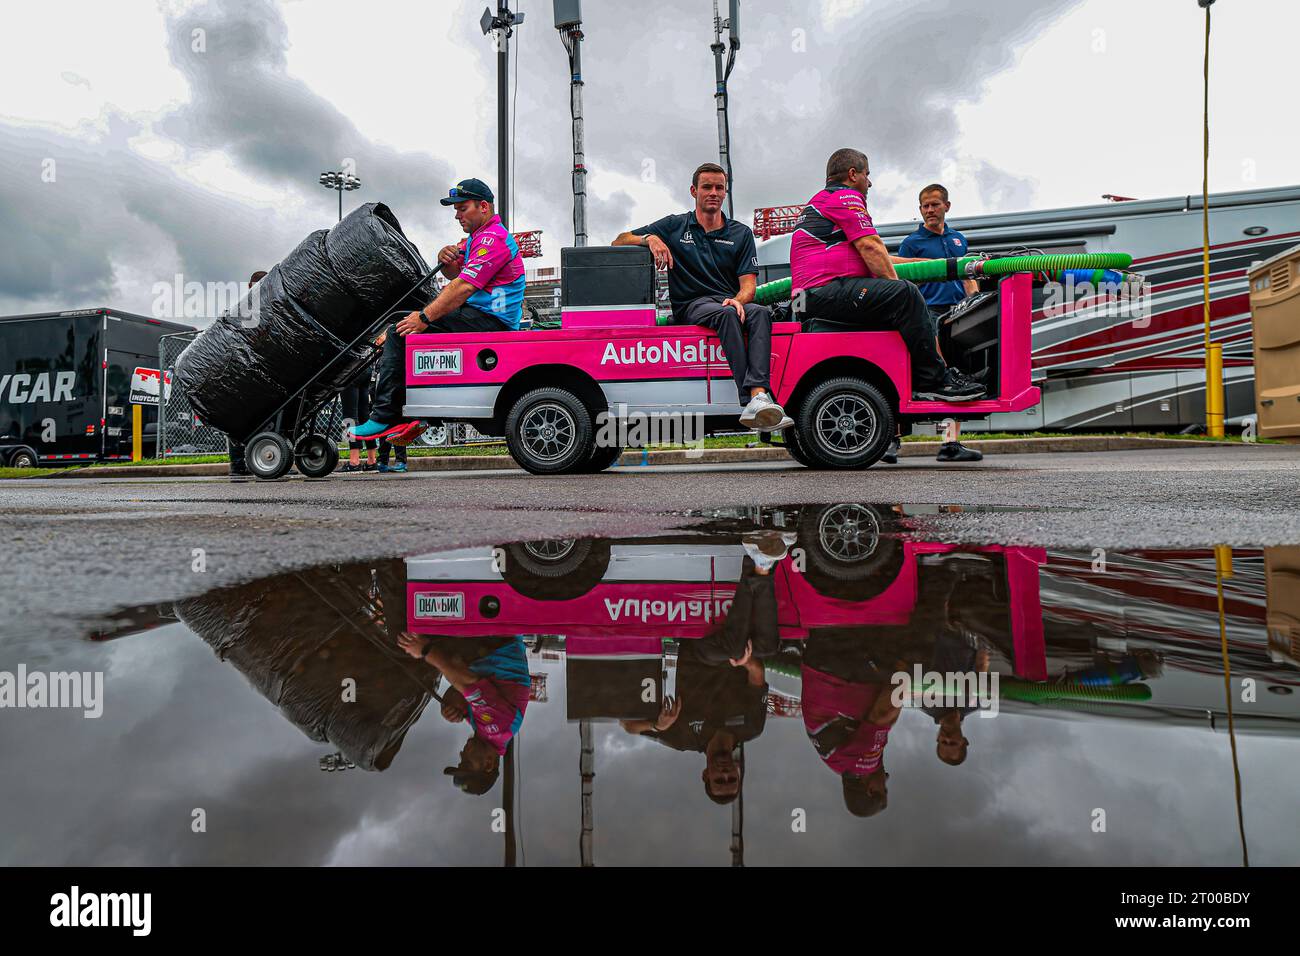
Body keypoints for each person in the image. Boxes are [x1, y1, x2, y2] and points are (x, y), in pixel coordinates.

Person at [789, 149, 985, 403]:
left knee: (902, 295)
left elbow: (878, 257)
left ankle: (910, 378)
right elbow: (872, 247)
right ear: (852, 174)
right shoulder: (845, 196)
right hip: (822, 292)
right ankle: (934, 382)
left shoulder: (823, 201)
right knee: (905, 295)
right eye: (866, 175)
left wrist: (928, 266)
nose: (869, 182)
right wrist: (902, 292)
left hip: (812, 296)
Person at [614, 163, 791, 431]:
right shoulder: (675, 226)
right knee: (727, 313)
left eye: (719, 188)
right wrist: (650, 238)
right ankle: (750, 400)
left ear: (725, 192)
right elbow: (619, 240)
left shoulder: (740, 233)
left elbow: (749, 287)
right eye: (707, 187)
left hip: (727, 301)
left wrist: (739, 300)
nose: (713, 192)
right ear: (694, 191)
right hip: (691, 305)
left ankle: (759, 396)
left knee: (761, 312)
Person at [350, 178, 524, 442]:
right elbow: (455, 272)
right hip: (479, 318)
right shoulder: (475, 239)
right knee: (410, 331)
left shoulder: (493, 239)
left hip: (490, 321)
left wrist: (423, 317)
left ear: (484, 207)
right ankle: (416, 414)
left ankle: (385, 416)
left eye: (462, 208)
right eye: (455, 209)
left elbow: (463, 286)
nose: (457, 215)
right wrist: (444, 258)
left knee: (399, 331)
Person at [620, 549, 779, 804]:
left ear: (705, 775)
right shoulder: (752, 728)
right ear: (739, 773)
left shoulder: (682, 738)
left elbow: (627, 726)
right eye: (732, 779)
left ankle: (759, 561)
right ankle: (761, 562)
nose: (726, 774)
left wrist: (658, 725)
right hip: (738, 654)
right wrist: (747, 663)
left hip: (696, 652)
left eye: (719, 780)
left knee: (734, 647)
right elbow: (758, 675)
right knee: (768, 647)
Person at [894, 184, 984, 463]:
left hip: (957, 313)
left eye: (934, 204)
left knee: (954, 377)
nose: (930, 210)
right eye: (924, 206)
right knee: (919, 374)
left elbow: (967, 277)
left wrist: (976, 303)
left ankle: (950, 444)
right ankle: (891, 442)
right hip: (926, 315)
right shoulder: (912, 243)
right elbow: (902, 279)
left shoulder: (959, 240)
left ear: (947, 206)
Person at [397, 633, 530, 796]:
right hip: (496, 641)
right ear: (488, 764)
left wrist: (449, 708)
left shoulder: (483, 731)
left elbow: (456, 689)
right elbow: (466, 681)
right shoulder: (496, 728)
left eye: (460, 761)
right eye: (467, 762)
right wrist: (425, 650)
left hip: (484, 649)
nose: (462, 753)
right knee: (407, 638)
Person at [227, 269, 268, 479]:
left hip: (243, 369)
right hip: (253, 369)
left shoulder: (241, 307)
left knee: (239, 418)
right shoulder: (257, 305)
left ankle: (239, 464)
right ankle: (242, 462)